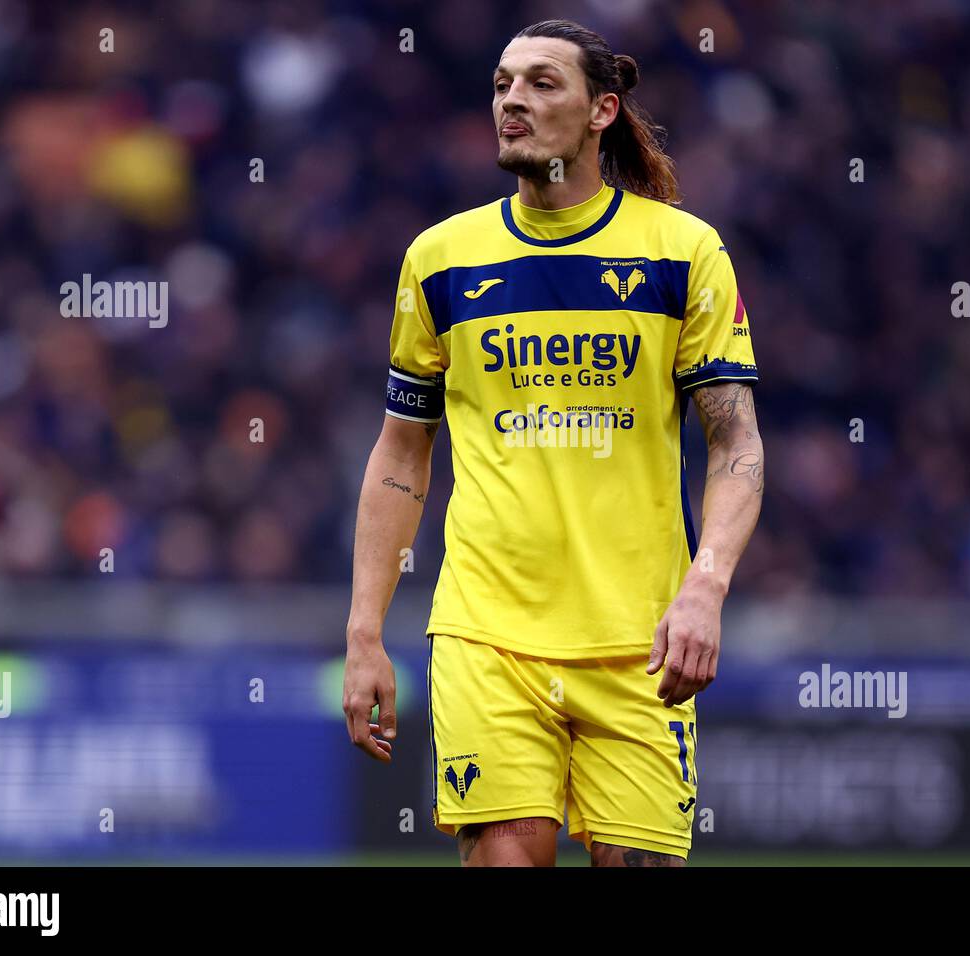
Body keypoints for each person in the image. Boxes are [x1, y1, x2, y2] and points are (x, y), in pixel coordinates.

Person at [344, 18, 763, 867]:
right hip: (486, 633)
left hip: (641, 644)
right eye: (503, 84)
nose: (513, 101)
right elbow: (401, 452)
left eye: (542, 83)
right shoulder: (441, 260)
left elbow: (736, 446)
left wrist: (706, 586)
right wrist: (363, 633)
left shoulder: (683, 253)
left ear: (602, 110)